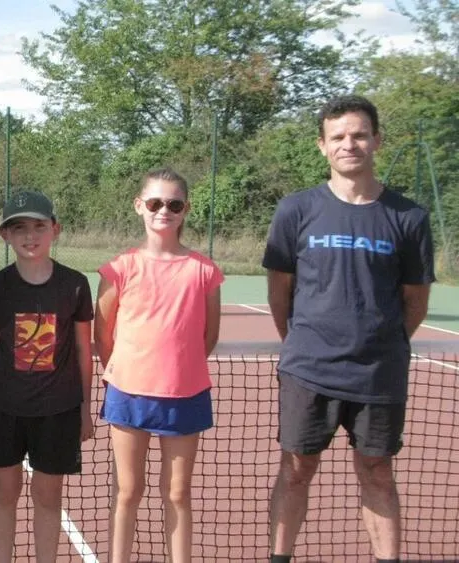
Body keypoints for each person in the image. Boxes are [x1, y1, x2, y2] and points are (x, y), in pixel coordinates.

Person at [264, 95, 435, 563]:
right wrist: (303, 340)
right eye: (338, 136)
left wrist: (383, 342)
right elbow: (280, 293)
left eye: (359, 135)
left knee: (378, 473)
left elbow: (414, 301)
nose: (349, 144)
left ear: (377, 140)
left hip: (380, 373)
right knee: (296, 469)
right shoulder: (296, 211)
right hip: (308, 369)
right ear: (322, 146)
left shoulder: (409, 217)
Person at [95, 168, 223, 563]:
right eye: (154, 203)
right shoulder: (120, 268)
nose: (163, 210)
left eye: (173, 204)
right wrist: (128, 371)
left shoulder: (204, 271)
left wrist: (176, 370)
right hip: (128, 395)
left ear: (185, 210)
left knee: (178, 493)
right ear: (139, 206)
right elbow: (104, 333)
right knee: (128, 492)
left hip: (185, 396)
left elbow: (208, 336)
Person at [0, 191, 94, 562]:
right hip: (4, 408)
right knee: (4, 492)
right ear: (5, 235)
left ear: (55, 229)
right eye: (19, 227)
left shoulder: (74, 284)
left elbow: (85, 352)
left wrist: (85, 408)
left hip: (59, 410)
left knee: (48, 495)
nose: (30, 235)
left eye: (39, 226)